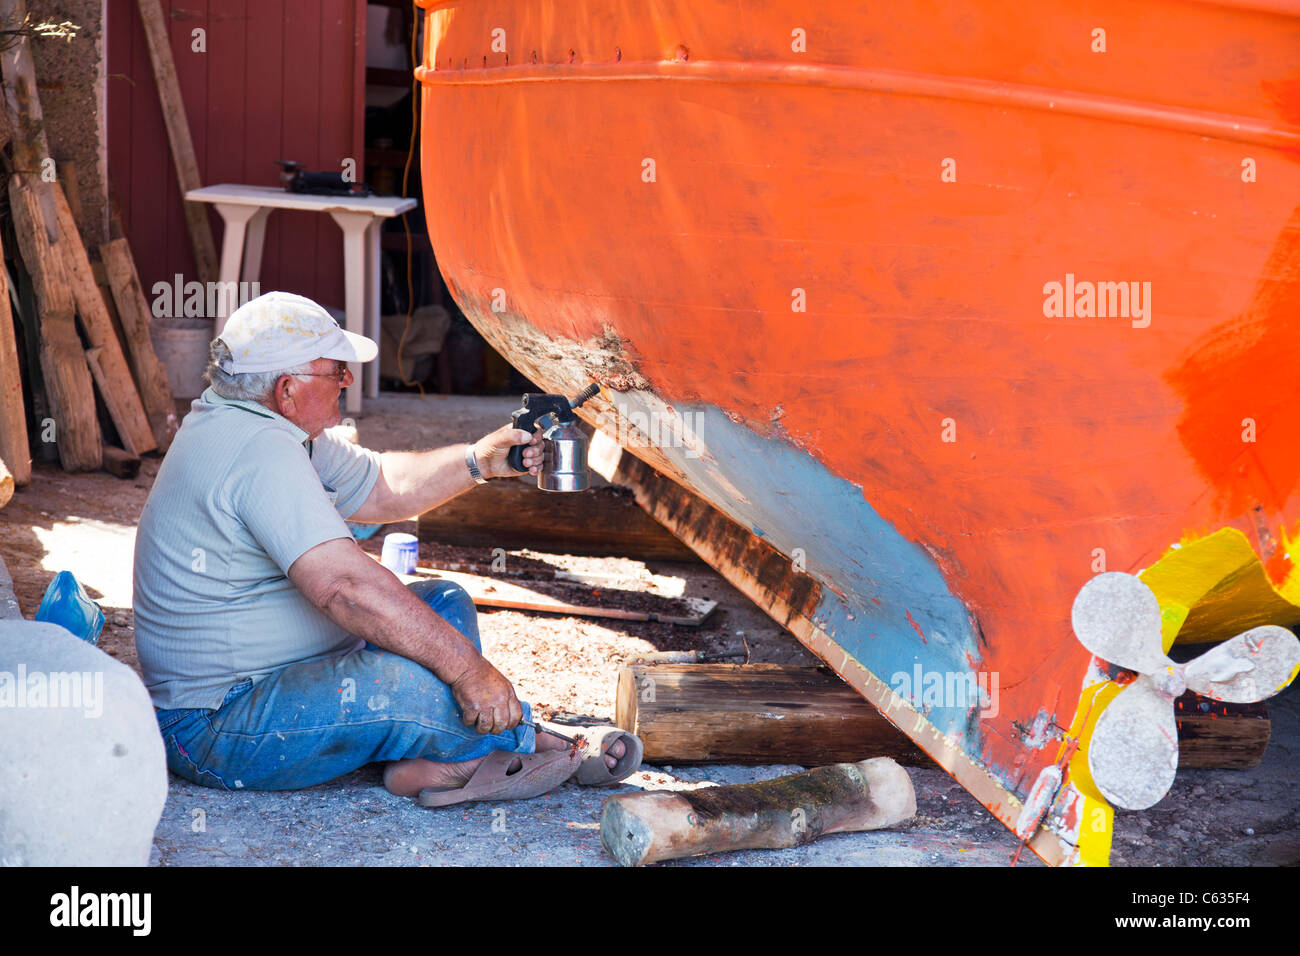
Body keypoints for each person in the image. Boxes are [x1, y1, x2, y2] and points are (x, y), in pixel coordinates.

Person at [133, 291, 637, 804]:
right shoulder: (257, 450)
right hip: (217, 726)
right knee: (403, 682)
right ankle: (532, 740)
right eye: (336, 370)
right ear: (287, 389)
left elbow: (379, 484)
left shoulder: (262, 422)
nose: (347, 380)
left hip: (276, 678)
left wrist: (479, 461)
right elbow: (345, 589)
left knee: (442, 603)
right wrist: (468, 670)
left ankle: (434, 760)